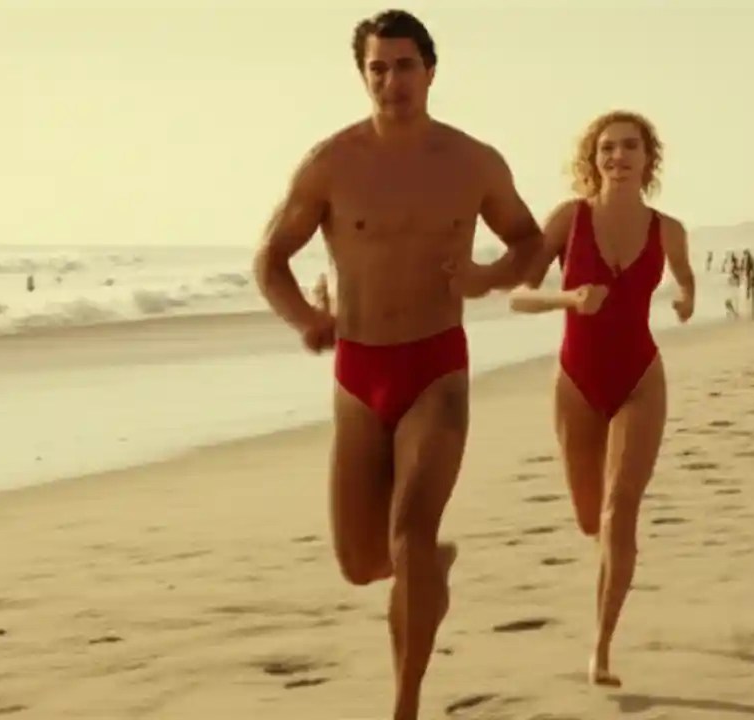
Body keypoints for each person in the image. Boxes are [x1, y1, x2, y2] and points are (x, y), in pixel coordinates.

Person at [251, 10, 543, 720]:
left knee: (409, 533)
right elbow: (270, 259)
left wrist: (485, 279)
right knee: (362, 563)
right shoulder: (331, 162)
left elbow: (530, 242)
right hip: (358, 373)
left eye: (405, 65)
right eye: (377, 69)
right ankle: (429, 569)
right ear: (363, 76)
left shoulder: (472, 161)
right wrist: (308, 320)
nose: (391, 81)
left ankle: (405, 703)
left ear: (431, 71)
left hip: (436, 367)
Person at [507, 110, 695, 687]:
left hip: (640, 378)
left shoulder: (669, 229)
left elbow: (686, 279)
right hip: (577, 383)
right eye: (607, 148)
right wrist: (569, 301)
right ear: (593, 158)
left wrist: (685, 300)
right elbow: (518, 294)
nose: (618, 157)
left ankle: (602, 647)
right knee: (592, 516)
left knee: (620, 512)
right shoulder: (569, 219)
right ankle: (611, 564)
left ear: (648, 158)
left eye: (630, 147)